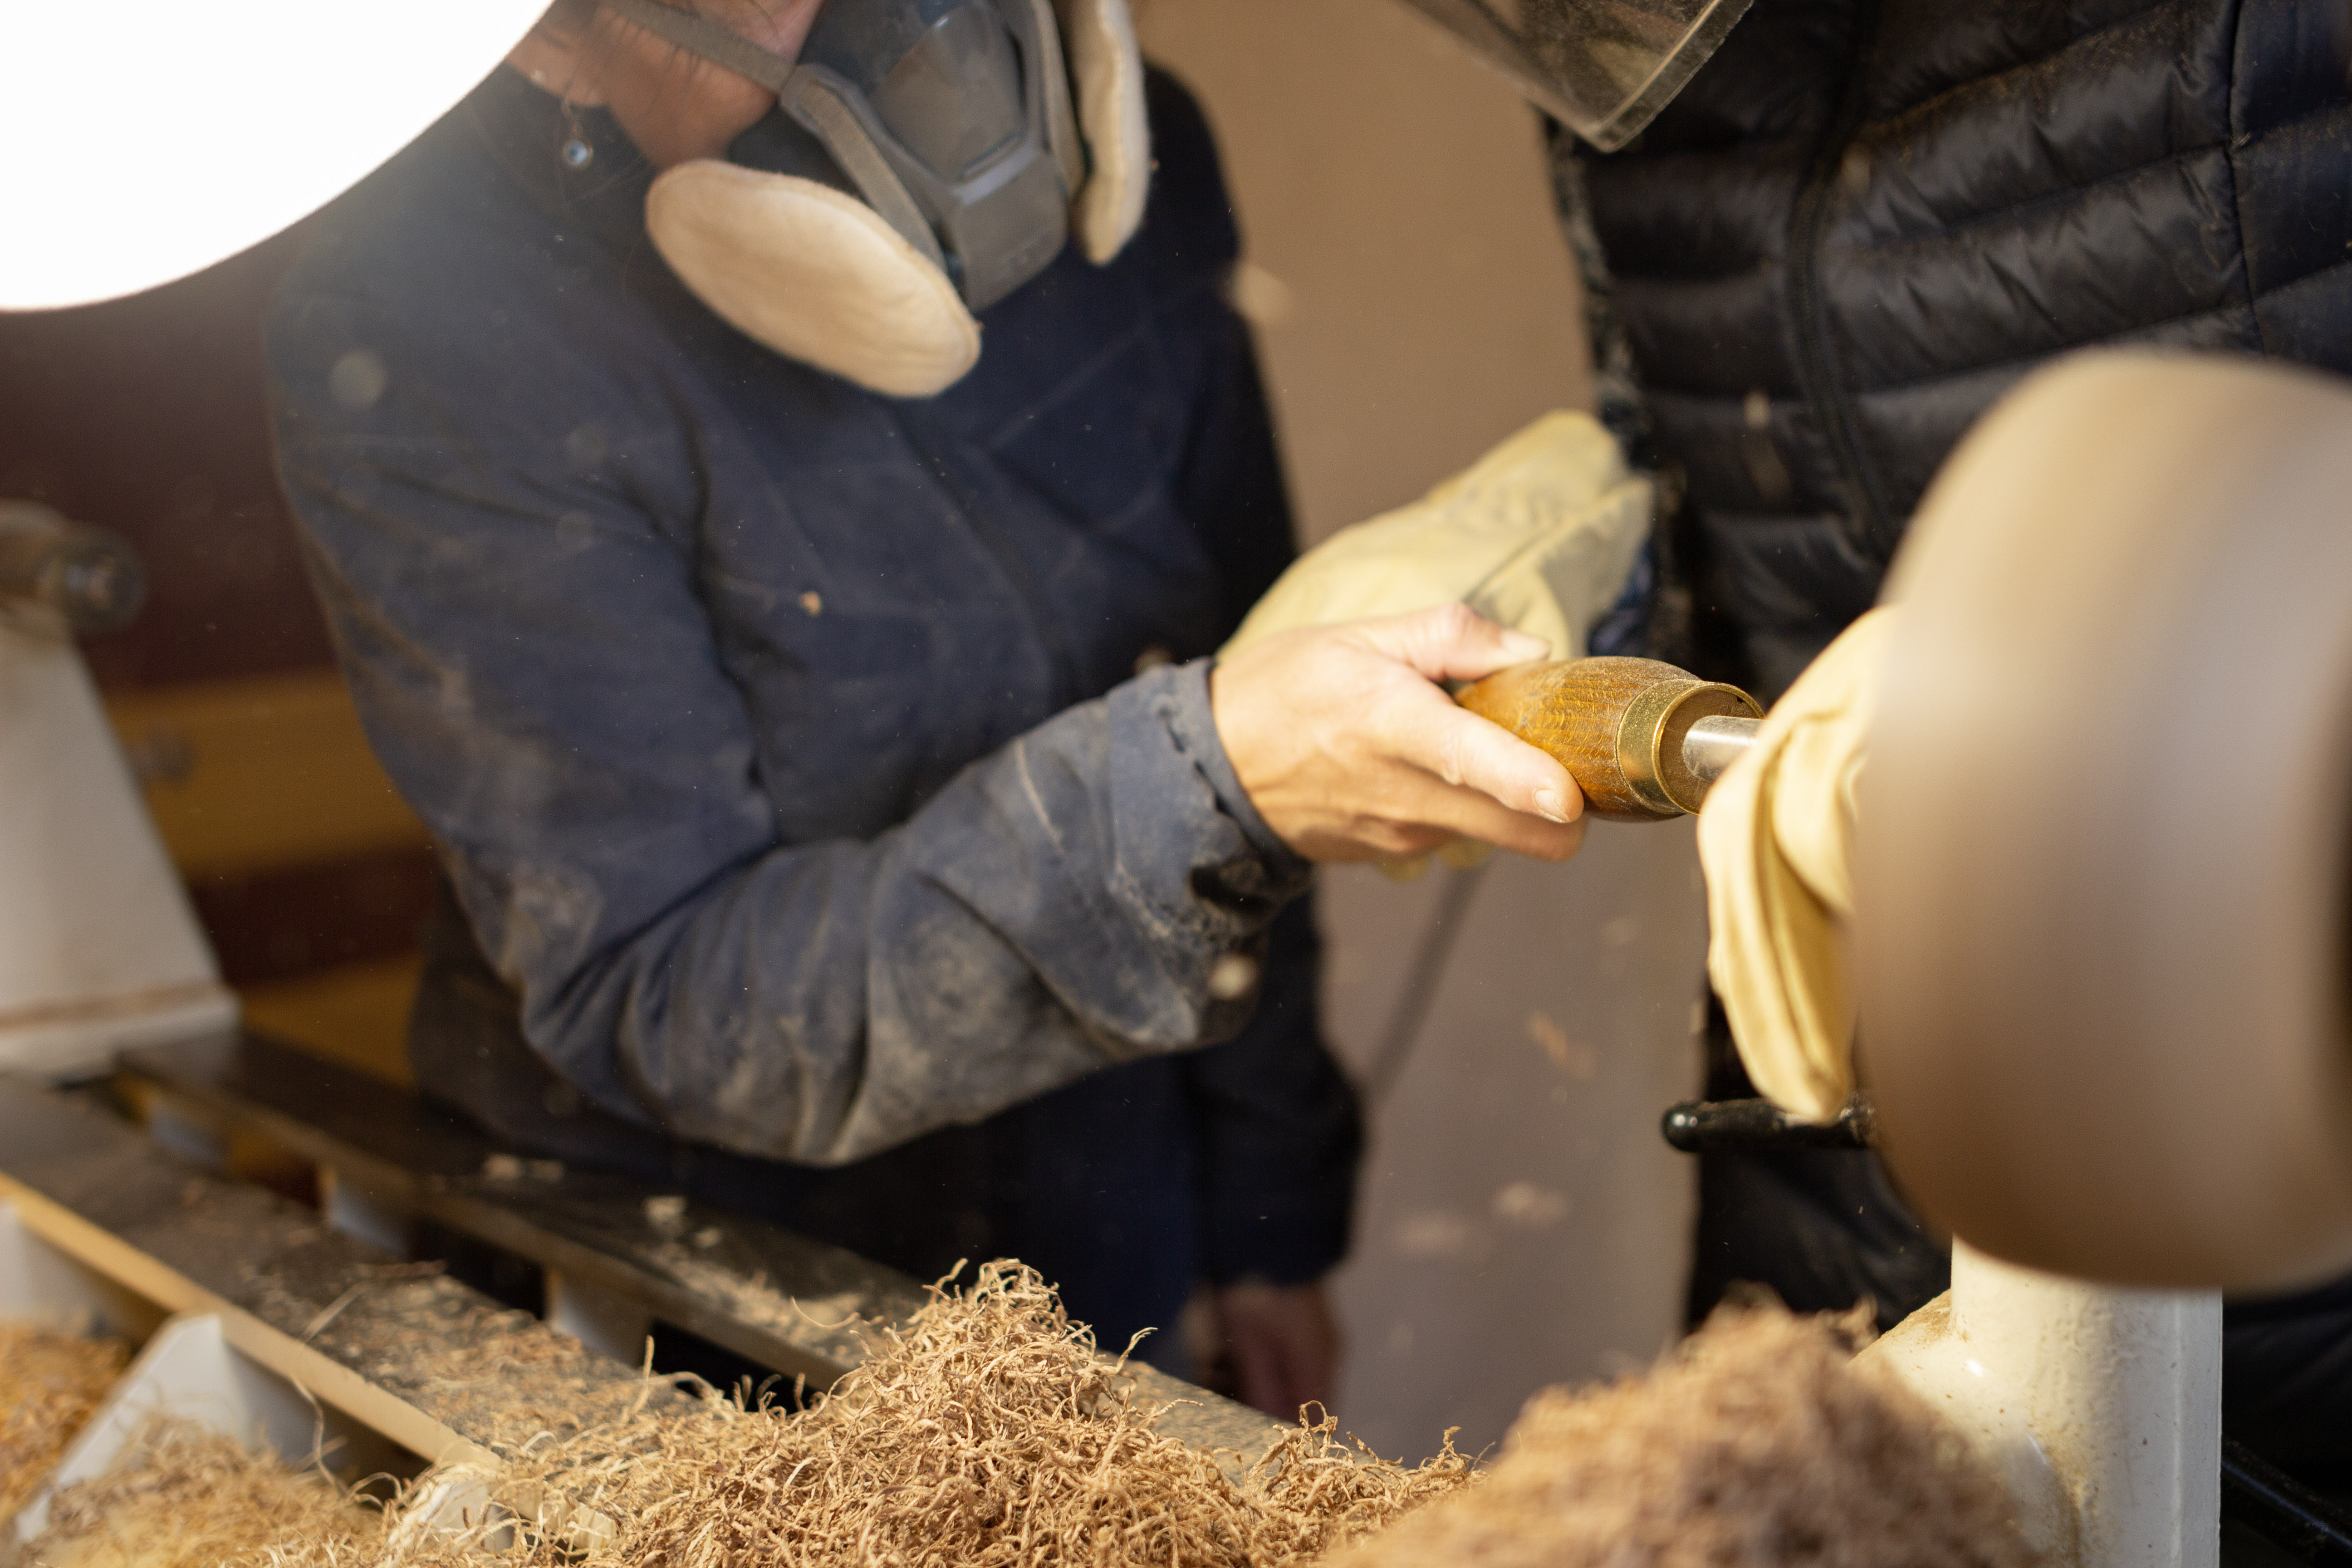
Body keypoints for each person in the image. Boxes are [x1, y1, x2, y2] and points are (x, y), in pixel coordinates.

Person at [264, 0, 1587, 1417]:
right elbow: (670, 990)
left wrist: (1269, 1220)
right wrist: (1206, 790)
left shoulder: (1140, 171)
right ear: (552, 47)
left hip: (1094, 1182)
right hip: (687, 1269)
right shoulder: (423, 322)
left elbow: (1262, 675)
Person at [1511, 0, 2352, 1491]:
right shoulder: (1620, 38)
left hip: (2279, 1250)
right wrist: (1578, 534)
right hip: (1832, 1190)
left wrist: (2170, 678)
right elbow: (1705, 439)